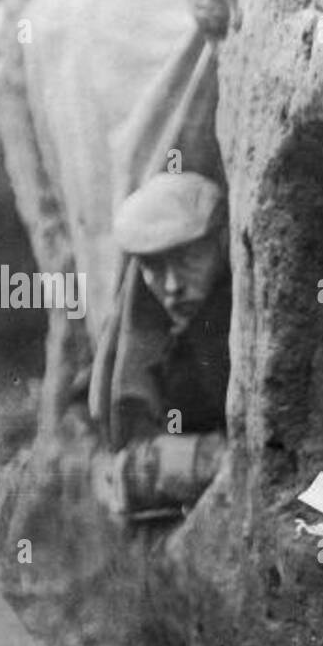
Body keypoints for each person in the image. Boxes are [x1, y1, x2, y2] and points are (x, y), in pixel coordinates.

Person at [91, 171, 230, 518]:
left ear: (222, 241)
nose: (171, 286)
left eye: (188, 259)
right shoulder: (161, 333)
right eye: (154, 267)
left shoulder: (239, 320)